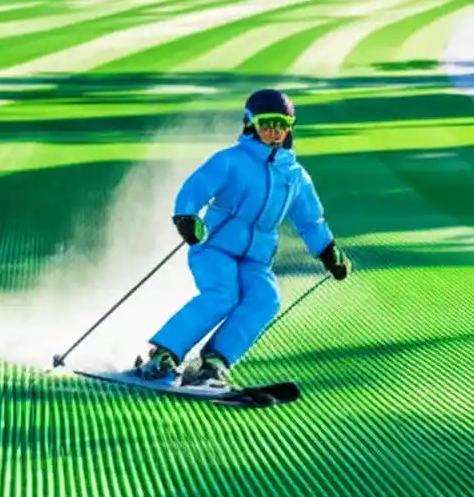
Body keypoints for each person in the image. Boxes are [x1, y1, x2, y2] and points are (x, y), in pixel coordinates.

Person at [135, 88, 352, 388]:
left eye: (280, 126)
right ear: (250, 124)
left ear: (289, 128)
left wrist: (329, 252)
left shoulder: (295, 176)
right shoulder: (231, 161)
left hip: (256, 259)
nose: (273, 133)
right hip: (215, 249)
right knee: (223, 294)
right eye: (266, 125)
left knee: (265, 298)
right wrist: (187, 217)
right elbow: (195, 187)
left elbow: (311, 221)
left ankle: (214, 362)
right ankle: (164, 353)